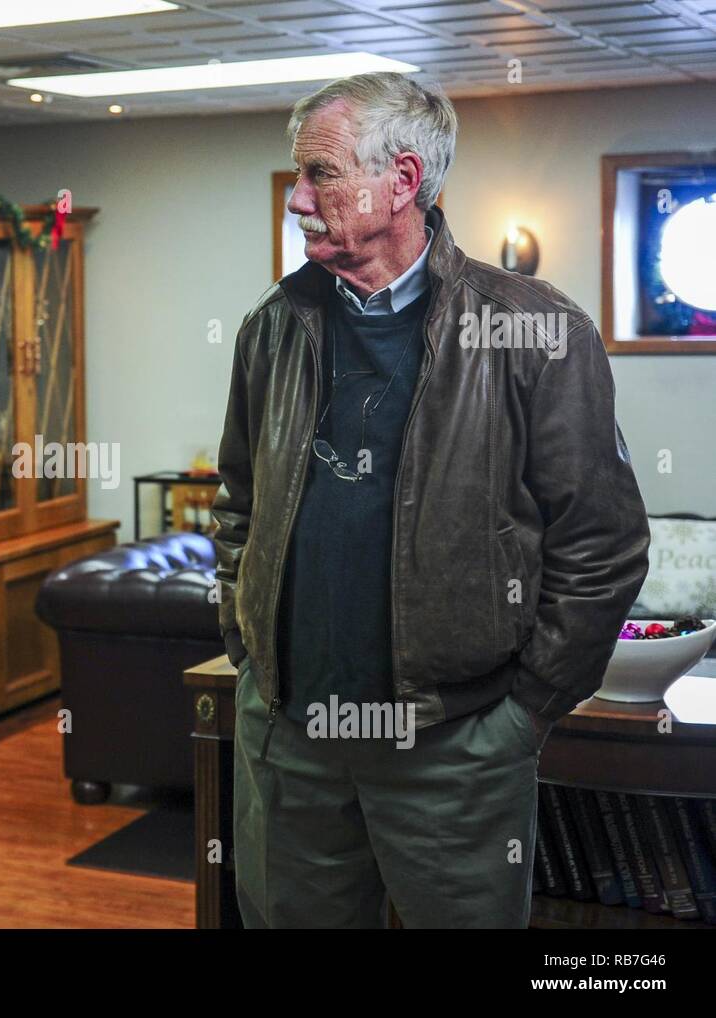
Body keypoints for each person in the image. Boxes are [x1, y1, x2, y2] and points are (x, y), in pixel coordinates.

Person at [211, 71, 650, 928]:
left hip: (453, 749)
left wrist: (522, 716)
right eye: (298, 177)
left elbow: (602, 546)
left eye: (320, 174)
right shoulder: (275, 325)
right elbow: (238, 505)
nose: (297, 198)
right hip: (291, 740)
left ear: (404, 181)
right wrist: (249, 653)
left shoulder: (533, 330)